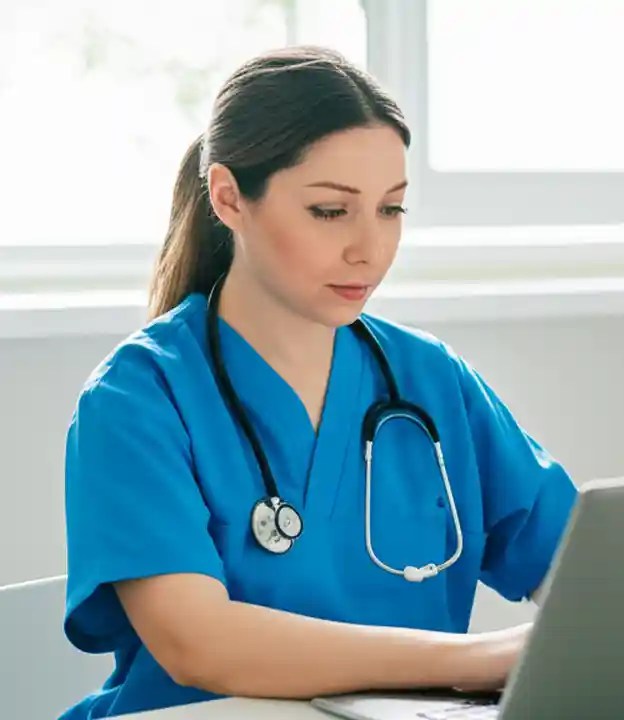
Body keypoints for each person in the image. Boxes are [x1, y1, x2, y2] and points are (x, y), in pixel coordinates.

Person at [59, 46, 578, 719]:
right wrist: (475, 661)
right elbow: (199, 646)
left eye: (391, 210)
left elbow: (591, 577)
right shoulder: (137, 398)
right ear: (228, 198)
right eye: (331, 211)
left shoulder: (432, 382)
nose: (369, 248)